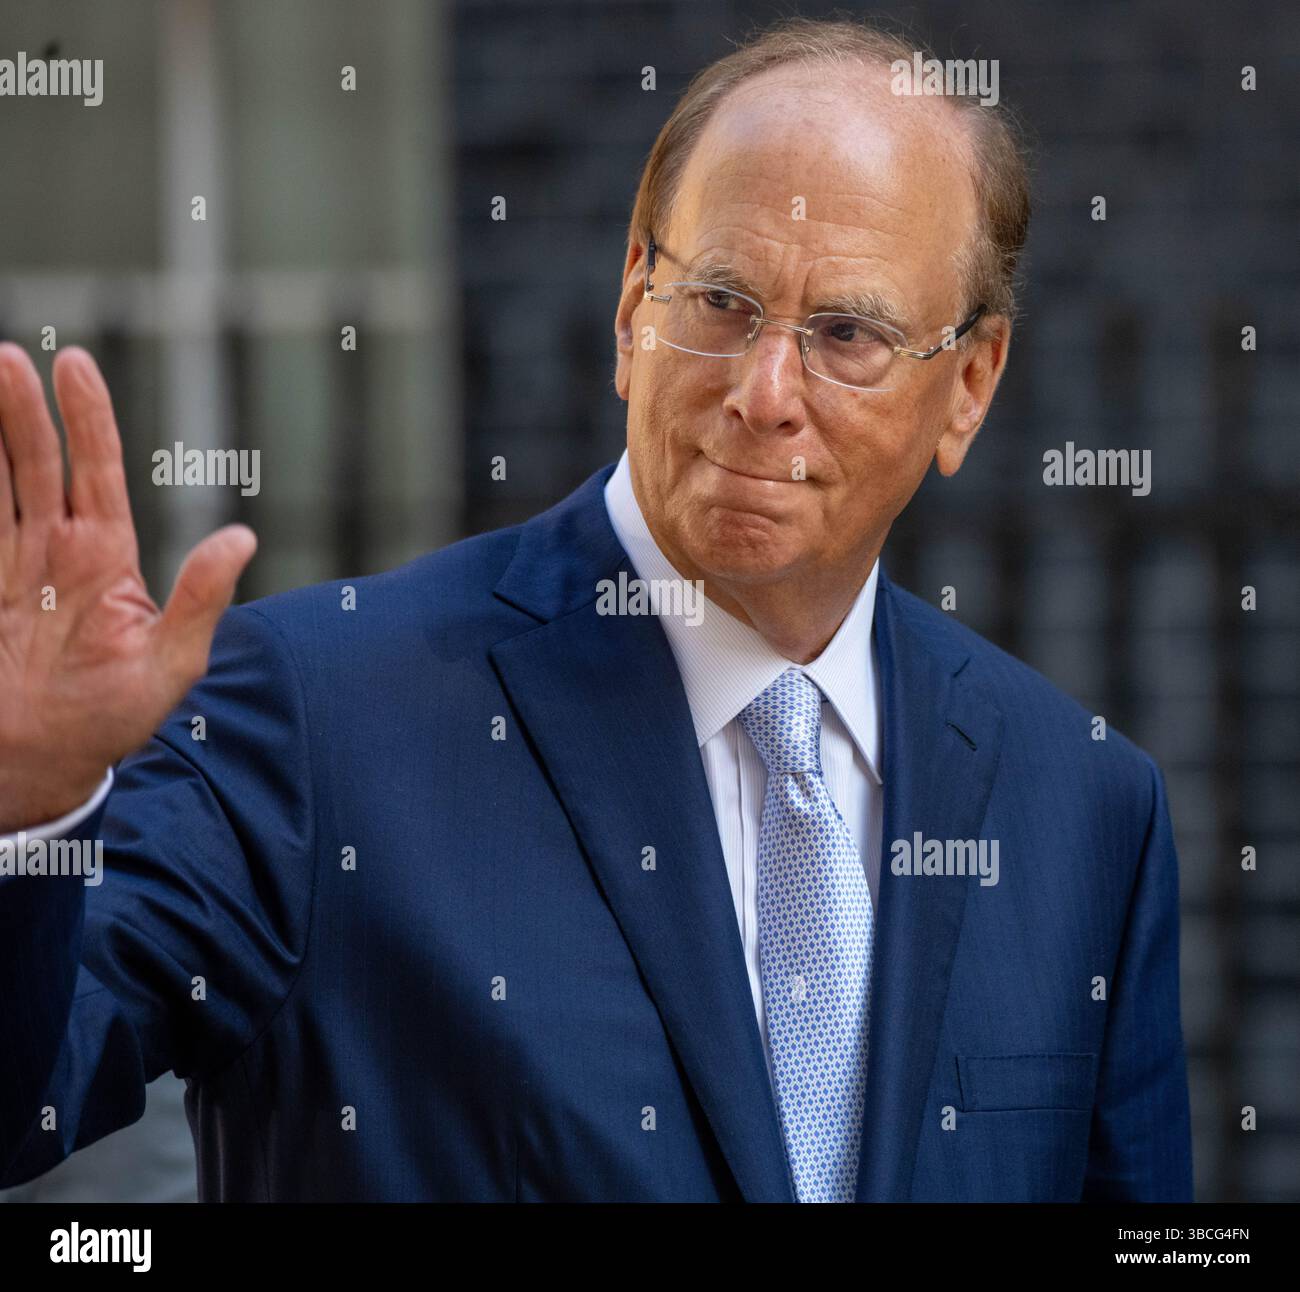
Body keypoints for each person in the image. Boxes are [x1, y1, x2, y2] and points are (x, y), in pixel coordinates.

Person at [0, 17, 1192, 1202]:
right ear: (634, 302)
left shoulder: (1083, 806)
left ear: (969, 384)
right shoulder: (318, 714)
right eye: (720, 301)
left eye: (847, 334)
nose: (763, 393)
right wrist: (29, 808)